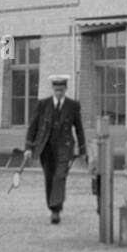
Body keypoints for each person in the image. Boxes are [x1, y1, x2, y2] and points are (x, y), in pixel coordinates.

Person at [25, 75, 86, 224]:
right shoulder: (43, 104)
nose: (59, 93)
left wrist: (83, 149)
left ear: (66, 89)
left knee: (60, 176)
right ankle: (52, 207)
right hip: (46, 147)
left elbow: (79, 128)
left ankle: (56, 210)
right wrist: (28, 147)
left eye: (62, 90)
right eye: (56, 90)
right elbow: (32, 127)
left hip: (64, 147)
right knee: (49, 178)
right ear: (53, 89)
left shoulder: (73, 106)